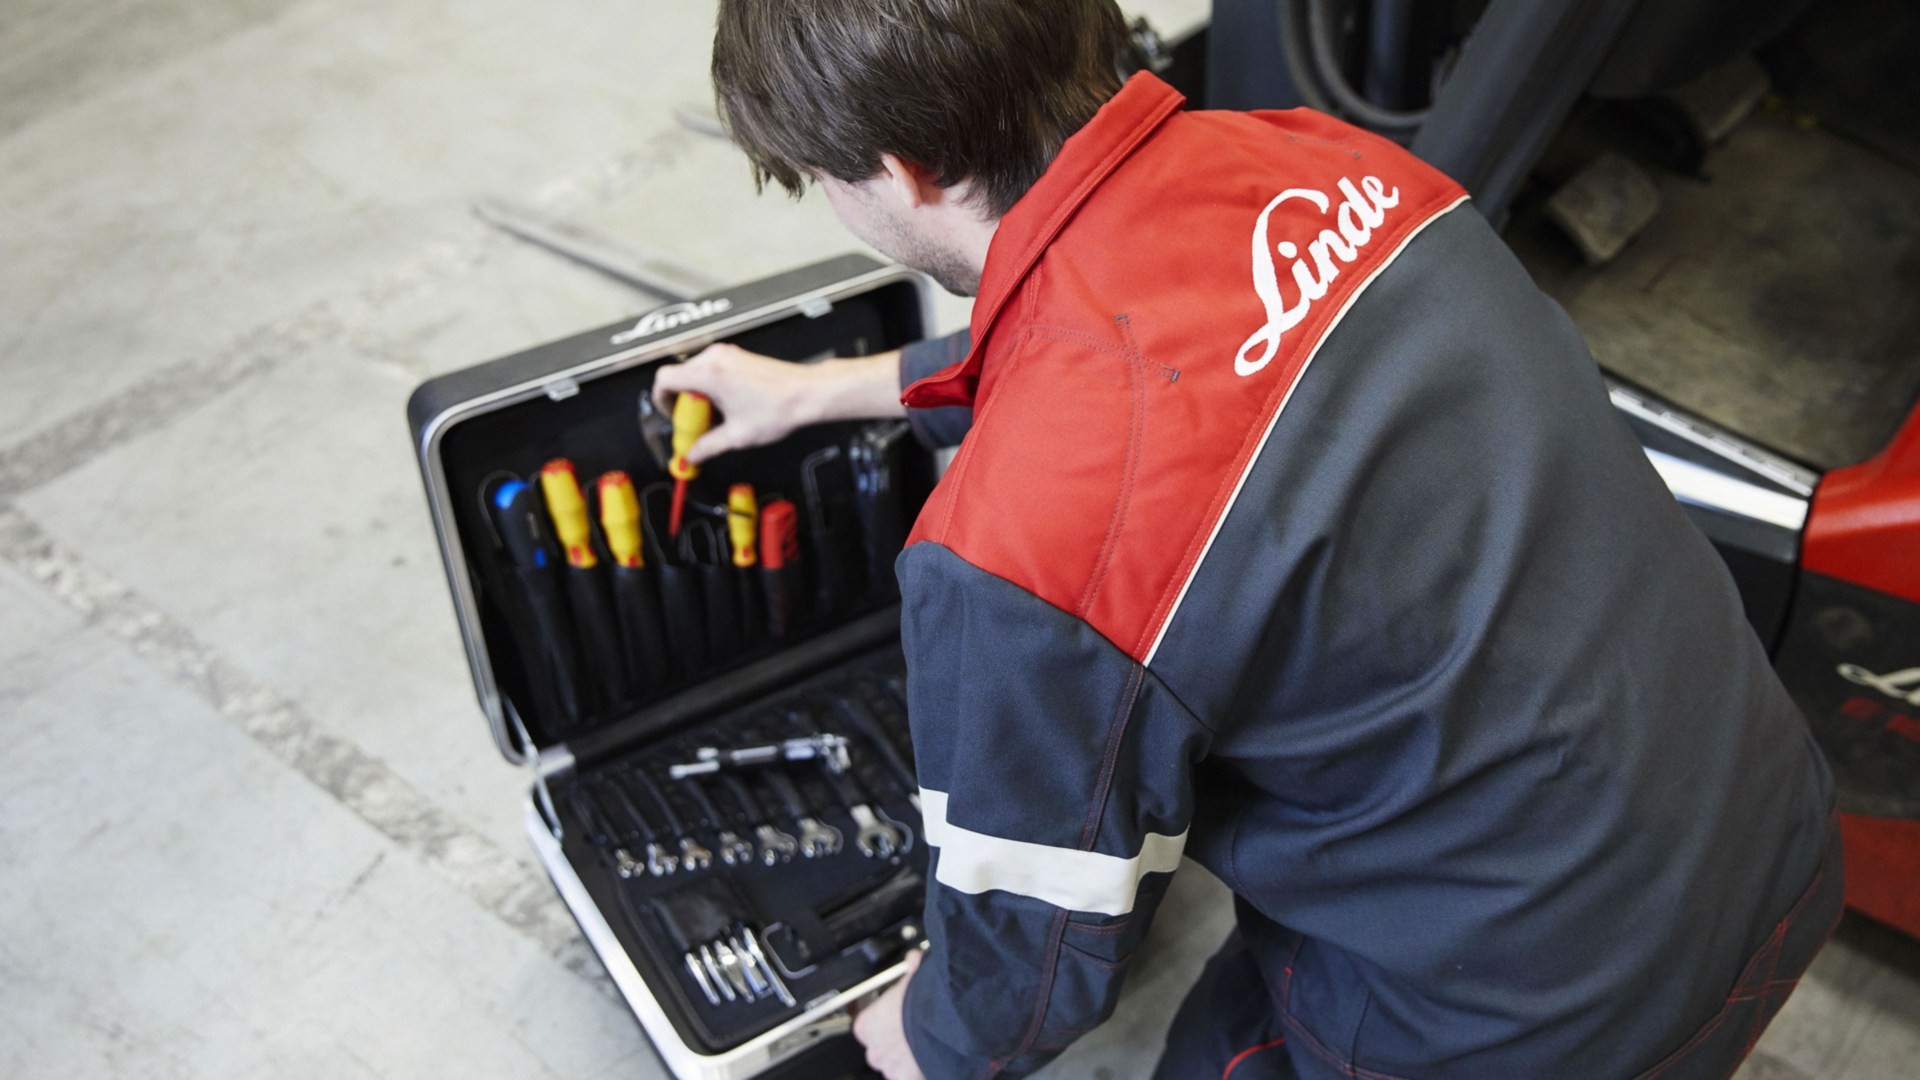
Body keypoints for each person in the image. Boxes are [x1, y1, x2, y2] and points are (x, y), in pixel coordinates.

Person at [653, 2, 1842, 1077]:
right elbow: (1146, 360)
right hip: (1768, 839)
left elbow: (1034, 957)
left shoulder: (1018, 549)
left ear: (901, 175)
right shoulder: (1327, 166)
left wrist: (925, 1036)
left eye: (819, 178)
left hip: (1522, 1023)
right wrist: (820, 390)